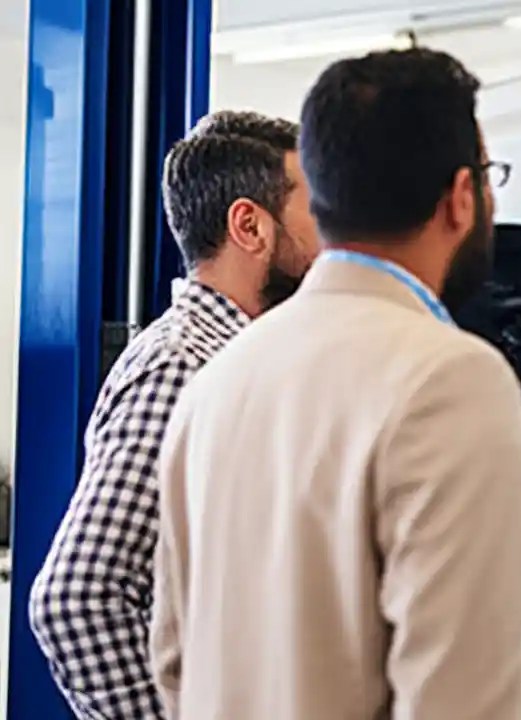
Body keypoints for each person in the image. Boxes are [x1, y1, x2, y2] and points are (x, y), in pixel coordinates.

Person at [148, 47, 521, 720]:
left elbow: (173, 662)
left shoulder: (215, 385)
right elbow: (467, 701)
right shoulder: (450, 381)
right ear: (462, 197)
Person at [27, 109, 320, 719]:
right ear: (251, 226)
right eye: (319, 215)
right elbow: (76, 598)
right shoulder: (185, 370)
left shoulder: (246, 366)